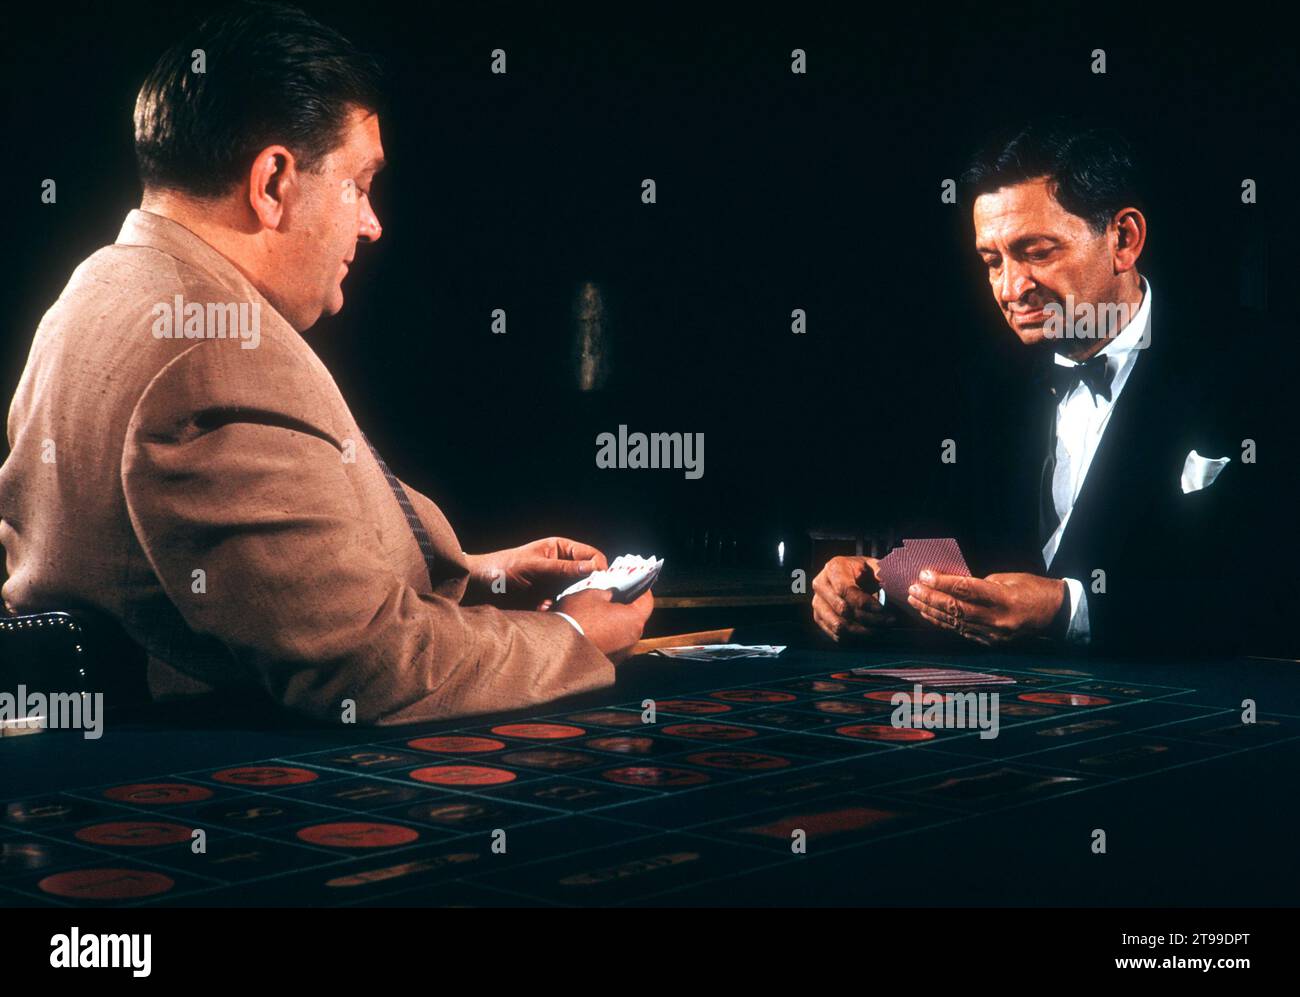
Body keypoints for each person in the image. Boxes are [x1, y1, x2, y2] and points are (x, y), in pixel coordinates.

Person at [0, 2, 651, 723]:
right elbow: (364, 666)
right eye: (360, 184)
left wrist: (479, 575)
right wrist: (572, 633)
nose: (371, 223)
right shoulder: (214, 348)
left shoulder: (93, 288)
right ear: (275, 181)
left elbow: (258, 583)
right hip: (224, 799)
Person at [813, 118, 1257, 655]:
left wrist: (1065, 609)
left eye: (1037, 252)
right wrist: (873, 585)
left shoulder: (1254, 370)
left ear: (1124, 239)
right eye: (992, 261)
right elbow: (946, 548)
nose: (1010, 288)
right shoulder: (987, 382)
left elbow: (1263, 583)